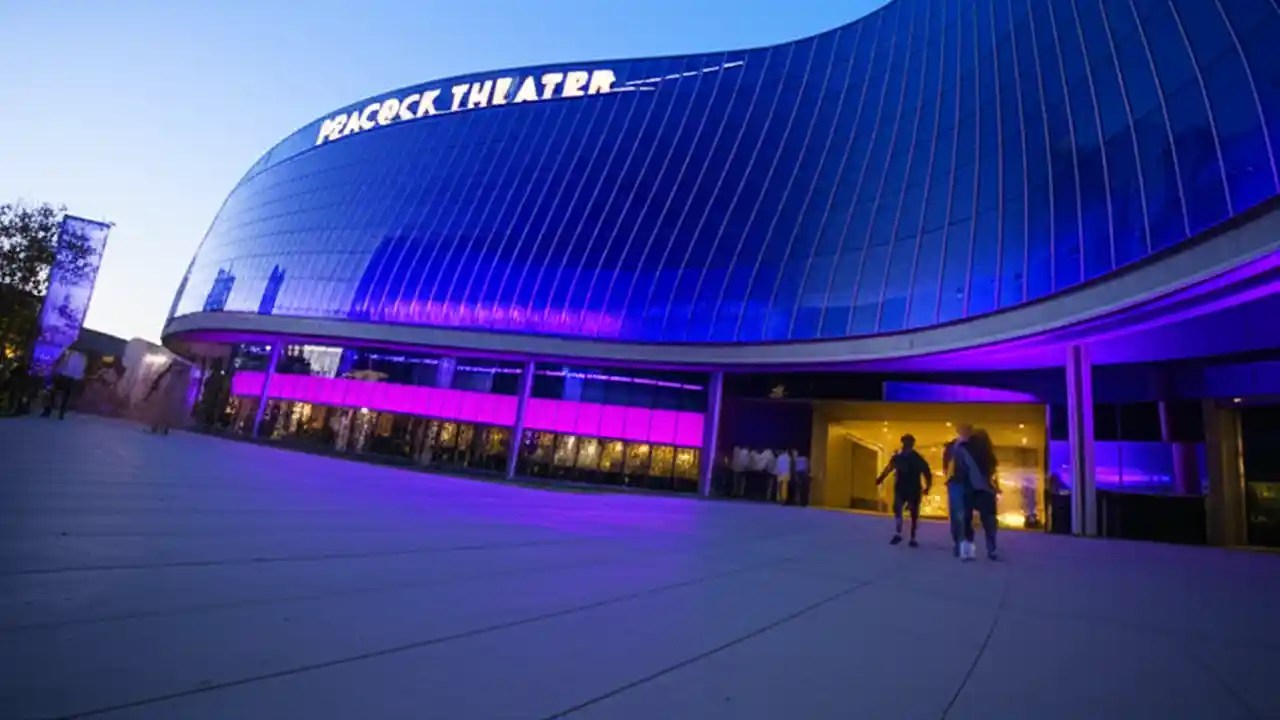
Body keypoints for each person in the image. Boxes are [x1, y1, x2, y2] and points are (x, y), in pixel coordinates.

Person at [875, 434, 934, 547]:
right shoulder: (915, 458)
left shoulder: (901, 458)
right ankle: (909, 536)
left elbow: (889, 468)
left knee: (905, 511)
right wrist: (928, 487)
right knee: (910, 513)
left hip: (907, 488)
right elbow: (927, 472)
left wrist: (881, 478)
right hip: (910, 488)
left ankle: (904, 535)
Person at [954, 429, 1000, 561]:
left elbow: (959, 470)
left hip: (969, 489)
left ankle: (968, 551)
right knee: (988, 521)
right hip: (985, 490)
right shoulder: (988, 456)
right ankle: (991, 549)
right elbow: (992, 473)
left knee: (968, 521)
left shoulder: (964, 451)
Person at [944, 424, 974, 557]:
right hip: (956, 482)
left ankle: (963, 543)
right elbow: (946, 464)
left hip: (968, 484)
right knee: (958, 514)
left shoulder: (974, 447)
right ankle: (959, 542)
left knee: (966, 515)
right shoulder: (952, 446)